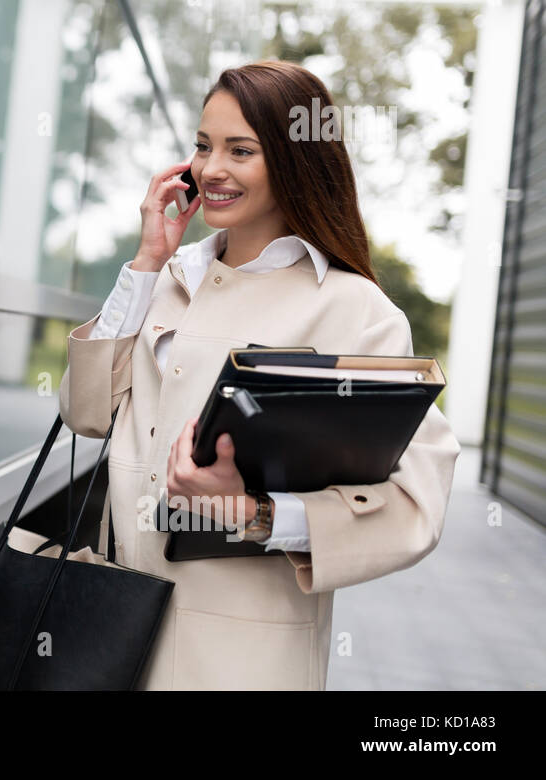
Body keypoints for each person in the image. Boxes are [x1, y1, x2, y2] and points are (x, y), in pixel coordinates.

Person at [58, 60, 461, 690]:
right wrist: (144, 264)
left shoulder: (354, 310)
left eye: (240, 150)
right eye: (202, 146)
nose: (210, 169)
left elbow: (415, 505)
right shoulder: (167, 280)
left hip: (242, 659)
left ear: (297, 163)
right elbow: (85, 413)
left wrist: (254, 513)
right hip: (115, 634)